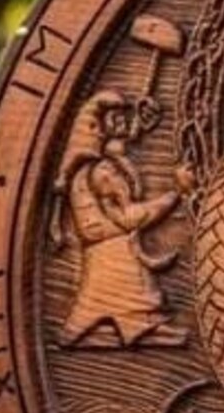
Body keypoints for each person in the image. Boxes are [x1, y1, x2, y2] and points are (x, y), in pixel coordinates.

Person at [50, 91, 186, 348]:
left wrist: (141, 127)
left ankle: (111, 333)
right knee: (132, 303)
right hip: (113, 254)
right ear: (101, 128)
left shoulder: (93, 167)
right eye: (116, 118)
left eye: (124, 116)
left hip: (108, 253)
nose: (123, 122)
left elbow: (124, 144)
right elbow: (130, 218)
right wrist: (175, 194)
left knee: (107, 313)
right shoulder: (103, 172)